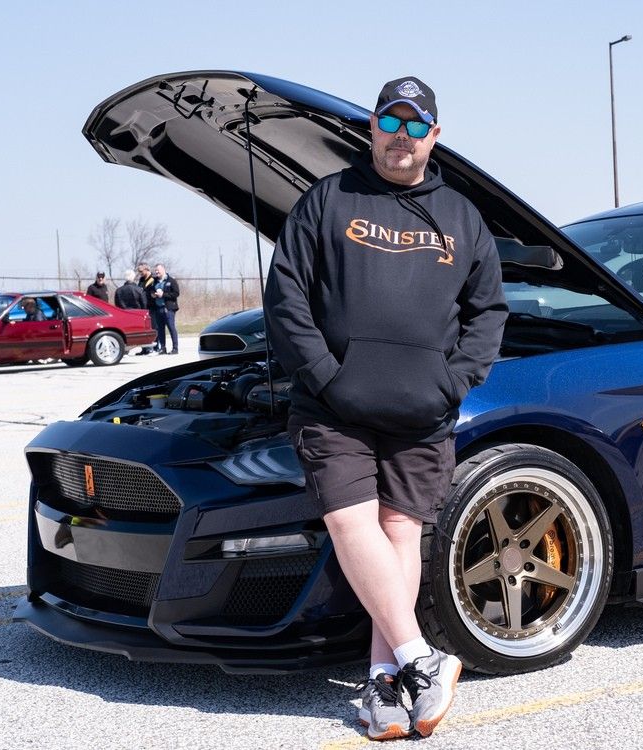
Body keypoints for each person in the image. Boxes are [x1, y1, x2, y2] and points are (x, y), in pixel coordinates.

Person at [264, 76, 506, 740]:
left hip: (422, 410)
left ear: (434, 134)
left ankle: (384, 685)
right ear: (371, 128)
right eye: (389, 122)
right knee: (351, 525)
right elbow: (287, 298)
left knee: (400, 533)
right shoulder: (327, 200)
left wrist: (452, 383)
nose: (401, 136)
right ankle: (422, 659)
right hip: (332, 406)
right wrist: (325, 376)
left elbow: (488, 314)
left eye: (414, 124)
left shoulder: (461, 217)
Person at [152, 263, 180, 355]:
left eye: (158, 270)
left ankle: (175, 348)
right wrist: (153, 295)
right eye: (155, 270)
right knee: (160, 329)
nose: (156, 272)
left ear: (163, 270)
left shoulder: (171, 280)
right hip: (158, 309)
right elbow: (151, 291)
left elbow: (176, 293)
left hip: (168, 309)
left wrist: (163, 294)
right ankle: (163, 348)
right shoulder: (154, 281)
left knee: (171, 328)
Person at [137, 263, 160, 354]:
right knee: (144, 329)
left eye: (141, 271)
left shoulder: (153, 279)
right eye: (139, 272)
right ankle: (145, 349)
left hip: (152, 307)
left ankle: (156, 347)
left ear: (146, 270)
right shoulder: (141, 280)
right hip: (143, 308)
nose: (140, 273)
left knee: (154, 328)